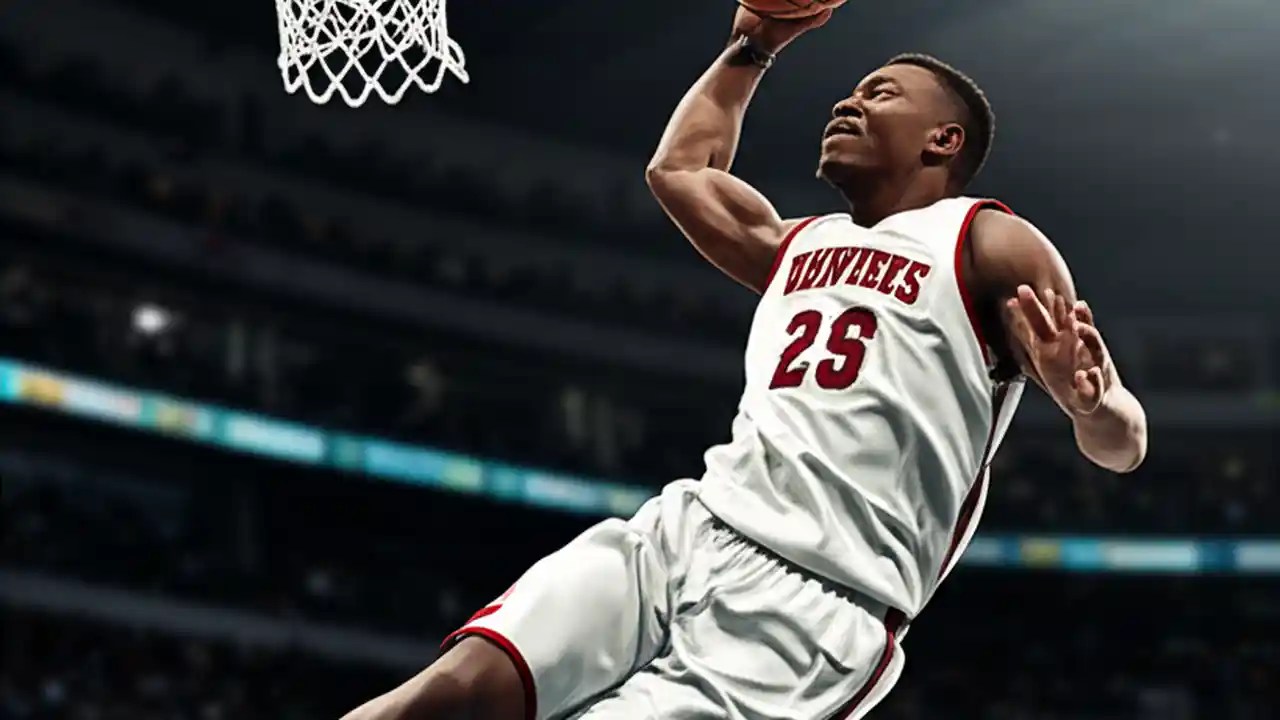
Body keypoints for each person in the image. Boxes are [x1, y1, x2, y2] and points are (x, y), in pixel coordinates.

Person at [341, 7, 1148, 720]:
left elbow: (1123, 444)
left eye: (882, 93)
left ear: (944, 140)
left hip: (816, 606)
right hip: (687, 528)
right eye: (855, 91)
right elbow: (681, 172)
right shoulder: (798, 241)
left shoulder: (988, 240)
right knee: (448, 692)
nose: (849, 101)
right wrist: (752, 45)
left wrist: (1091, 405)